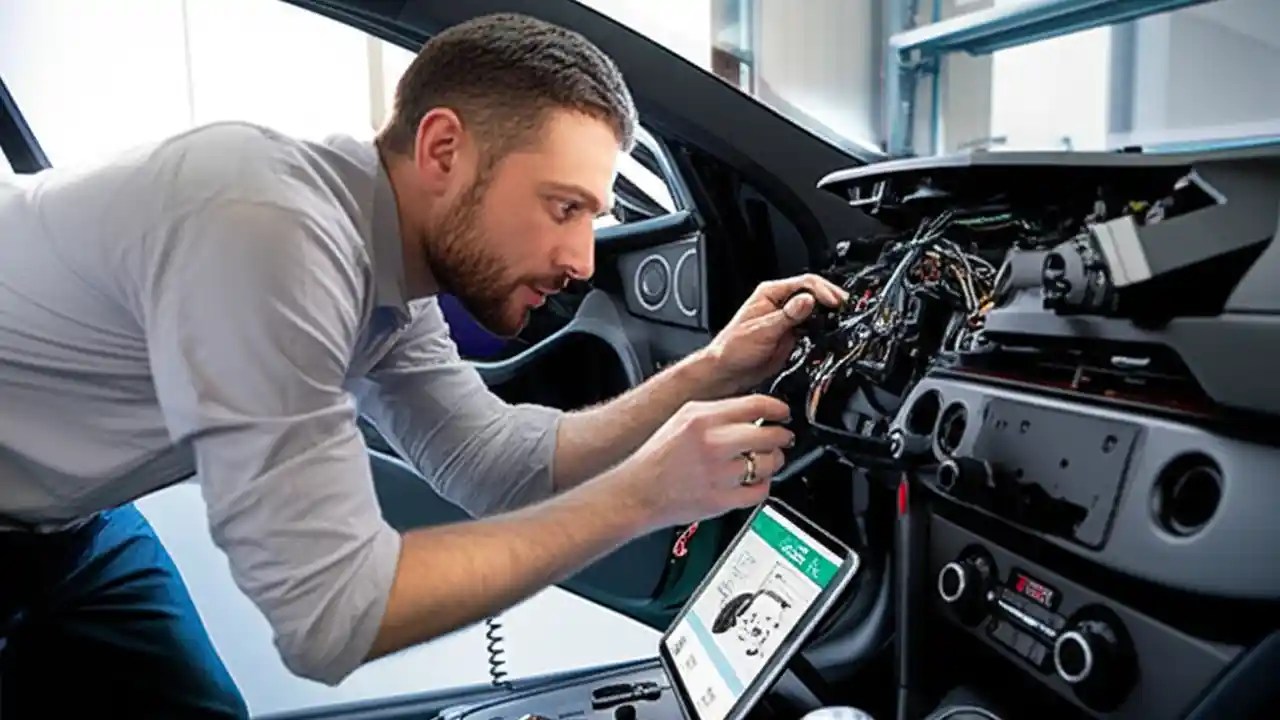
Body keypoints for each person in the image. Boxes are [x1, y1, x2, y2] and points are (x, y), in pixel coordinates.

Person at [0, 12, 847, 718]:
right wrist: (646, 494)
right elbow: (331, 615)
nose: (583, 261)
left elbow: (498, 466)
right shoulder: (263, 226)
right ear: (444, 149)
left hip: (73, 530)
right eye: (563, 207)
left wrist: (713, 367)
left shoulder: (391, 284)